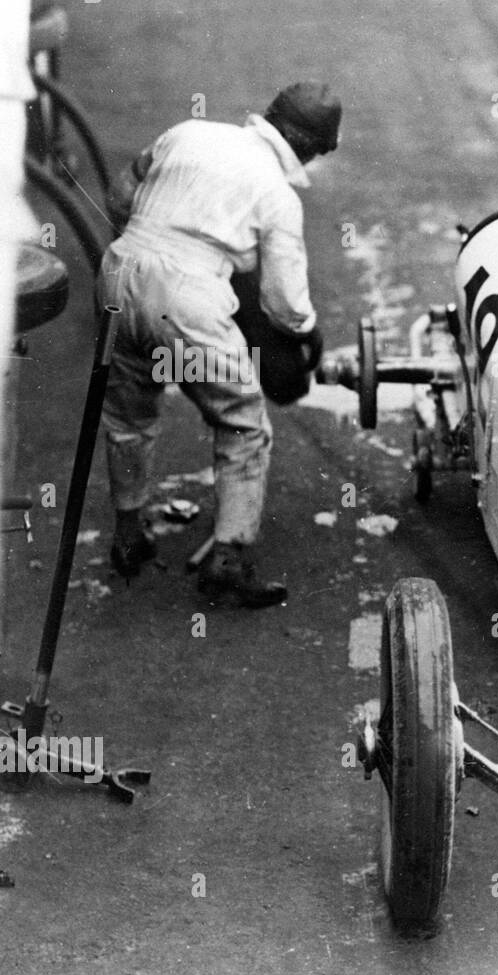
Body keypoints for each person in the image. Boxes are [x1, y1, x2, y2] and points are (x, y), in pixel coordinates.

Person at [98, 81, 341, 606]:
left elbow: (119, 198)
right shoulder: (277, 194)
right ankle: (228, 559)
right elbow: (284, 304)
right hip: (188, 298)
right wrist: (306, 333)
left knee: (127, 413)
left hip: (119, 269)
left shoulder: (188, 133)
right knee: (242, 421)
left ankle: (128, 534)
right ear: (306, 146)